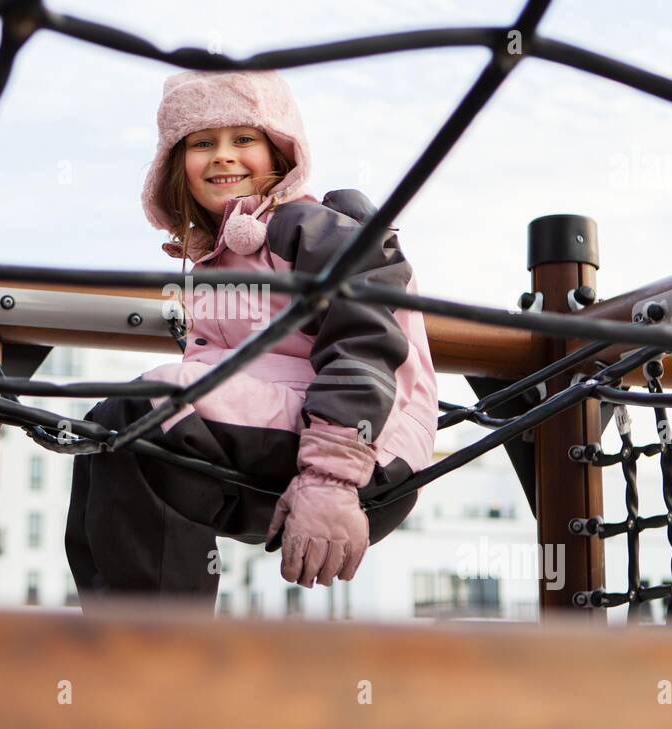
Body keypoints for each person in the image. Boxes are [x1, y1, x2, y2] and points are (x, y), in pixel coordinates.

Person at [64, 69, 439, 614]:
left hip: (364, 453)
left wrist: (329, 478)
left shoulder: (308, 227)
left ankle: (164, 651)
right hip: (280, 450)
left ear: (281, 154)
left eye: (244, 140)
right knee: (104, 436)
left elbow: (367, 339)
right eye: (201, 143)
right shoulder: (217, 264)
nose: (223, 156)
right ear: (177, 165)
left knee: (141, 412)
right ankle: (114, 637)